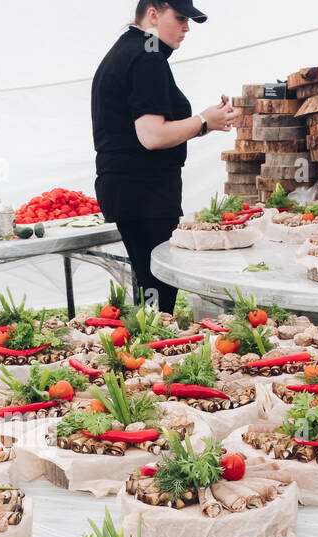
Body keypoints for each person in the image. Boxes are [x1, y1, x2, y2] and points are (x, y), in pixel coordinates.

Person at [91, 1, 240, 312]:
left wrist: (207, 123)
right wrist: (202, 121)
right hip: (145, 192)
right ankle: (151, 353)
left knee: (151, 291)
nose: (186, 28)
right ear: (153, 14)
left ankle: (146, 350)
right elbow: (152, 135)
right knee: (158, 298)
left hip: (131, 190)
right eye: (181, 18)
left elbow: (148, 130)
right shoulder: (148, 58)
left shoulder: (129, 50)